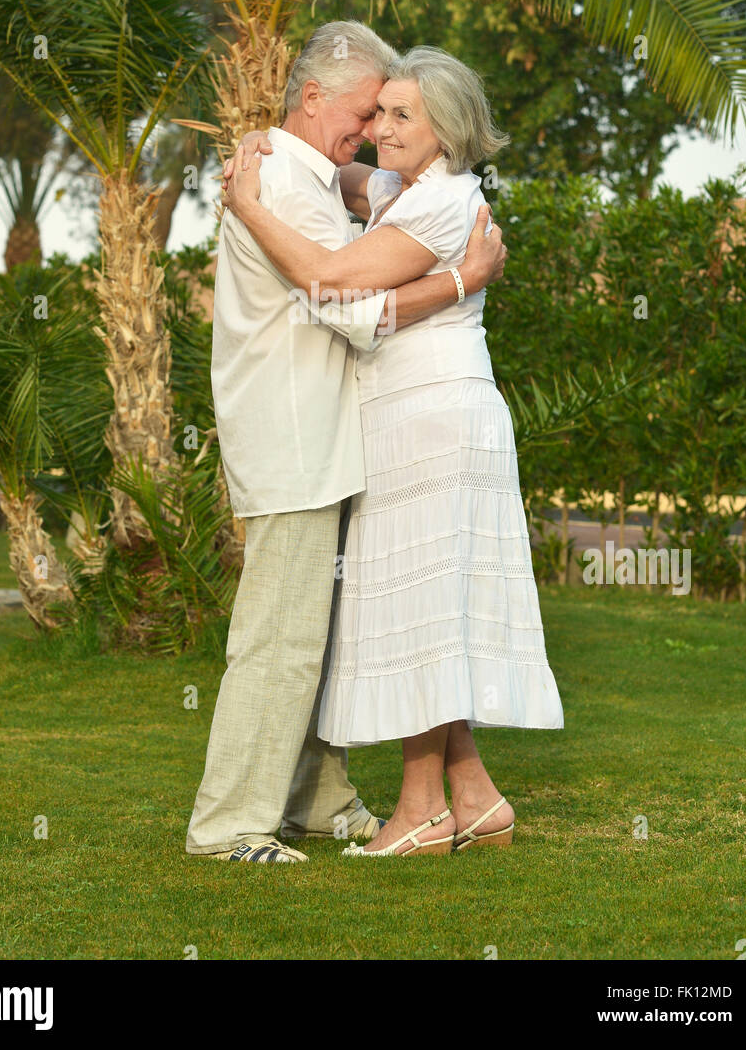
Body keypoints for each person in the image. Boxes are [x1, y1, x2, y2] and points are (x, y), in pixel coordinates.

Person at [222, 44, 563, 858]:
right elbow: (328, 167)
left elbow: (334, 281)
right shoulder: (398, 188)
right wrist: (261, 145)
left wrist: (247, 206)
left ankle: (419, 811)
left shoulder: (442, 204)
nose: (378, 128)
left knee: (420, 615)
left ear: (445, 129)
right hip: (415, 419)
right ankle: (473, 796)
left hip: (433, 424)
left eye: (400, 114)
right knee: (429, 610)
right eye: (376, 113)